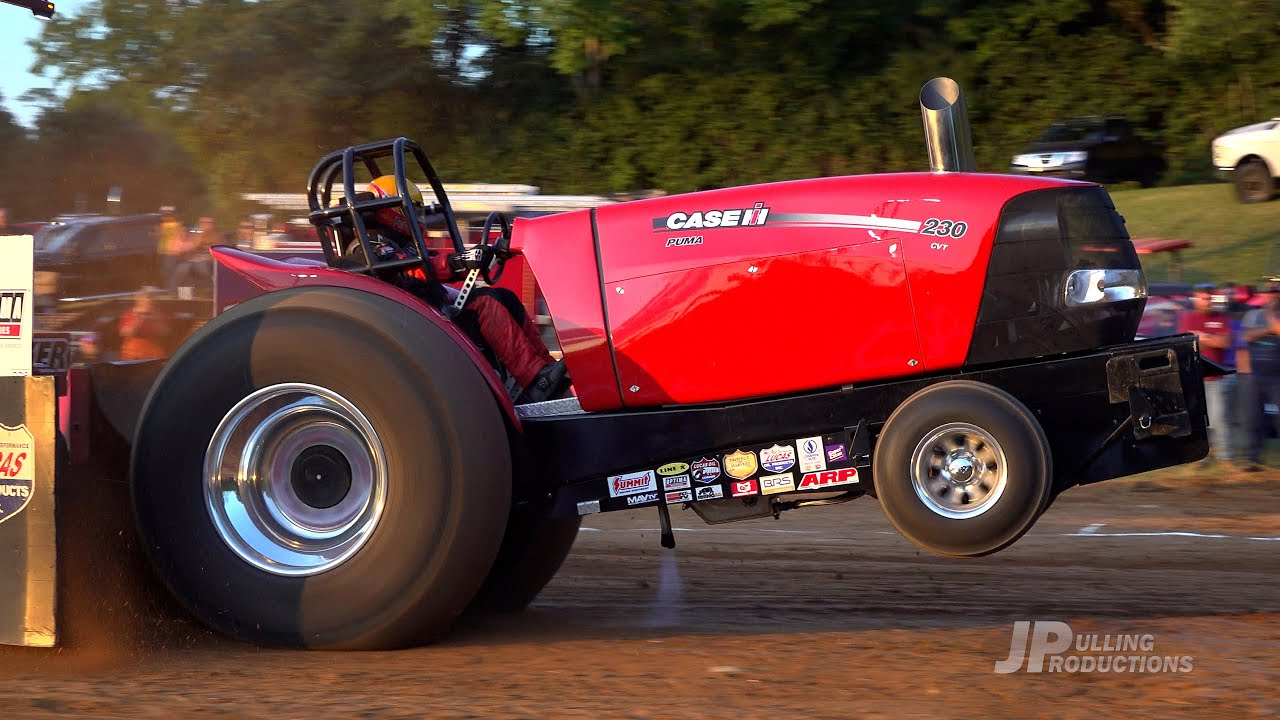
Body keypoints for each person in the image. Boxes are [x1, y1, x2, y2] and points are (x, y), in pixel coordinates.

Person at [347, 175, 569, 403]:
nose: (417, 217)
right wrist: (460, 261)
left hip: (425, 315)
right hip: (413, 324)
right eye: (411, 210)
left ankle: (543, 372)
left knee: (506, 297)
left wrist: (487, 255)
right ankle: (534, 381)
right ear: (392, 211)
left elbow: (435, 264)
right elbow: (414, 269)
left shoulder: (399, 243)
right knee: (485, 302)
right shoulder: (369, 244)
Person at [1178, 283, 1235, 463]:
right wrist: (1210, 338)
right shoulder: (1188, 318)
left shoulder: (1222, 318)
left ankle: (1226, 457)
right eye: (1202, 298)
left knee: (1219, 418)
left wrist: (1202, 337)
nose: (1206, 301)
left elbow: (1225, 342)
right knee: (1199, 419)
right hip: (1195, 377)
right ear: (1196, 299)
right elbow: (1185, 343)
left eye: (1208, 298)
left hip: (1215, 377)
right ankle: (1203, 456)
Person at [1240, 281, 1280, 470]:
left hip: (1277, 376)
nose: (1271, 295)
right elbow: (1246, 337)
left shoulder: (1273, 314)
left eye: (1275, 292)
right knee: (1253, 417)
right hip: (1256, 375)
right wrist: (1268, 329)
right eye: (1268, 292)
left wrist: (1271, 315)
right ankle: (1252, 459)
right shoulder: (1252, 314)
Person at [119, 287, 173, 360]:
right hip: (132, 356)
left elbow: (166, 332)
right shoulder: (130, 314)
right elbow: (125, 332)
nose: (149, 301)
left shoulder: (158, 314)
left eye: (150, 298)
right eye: (145, 298)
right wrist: (139, 319)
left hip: (154, 356)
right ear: (138, 300)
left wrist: (155, 319)